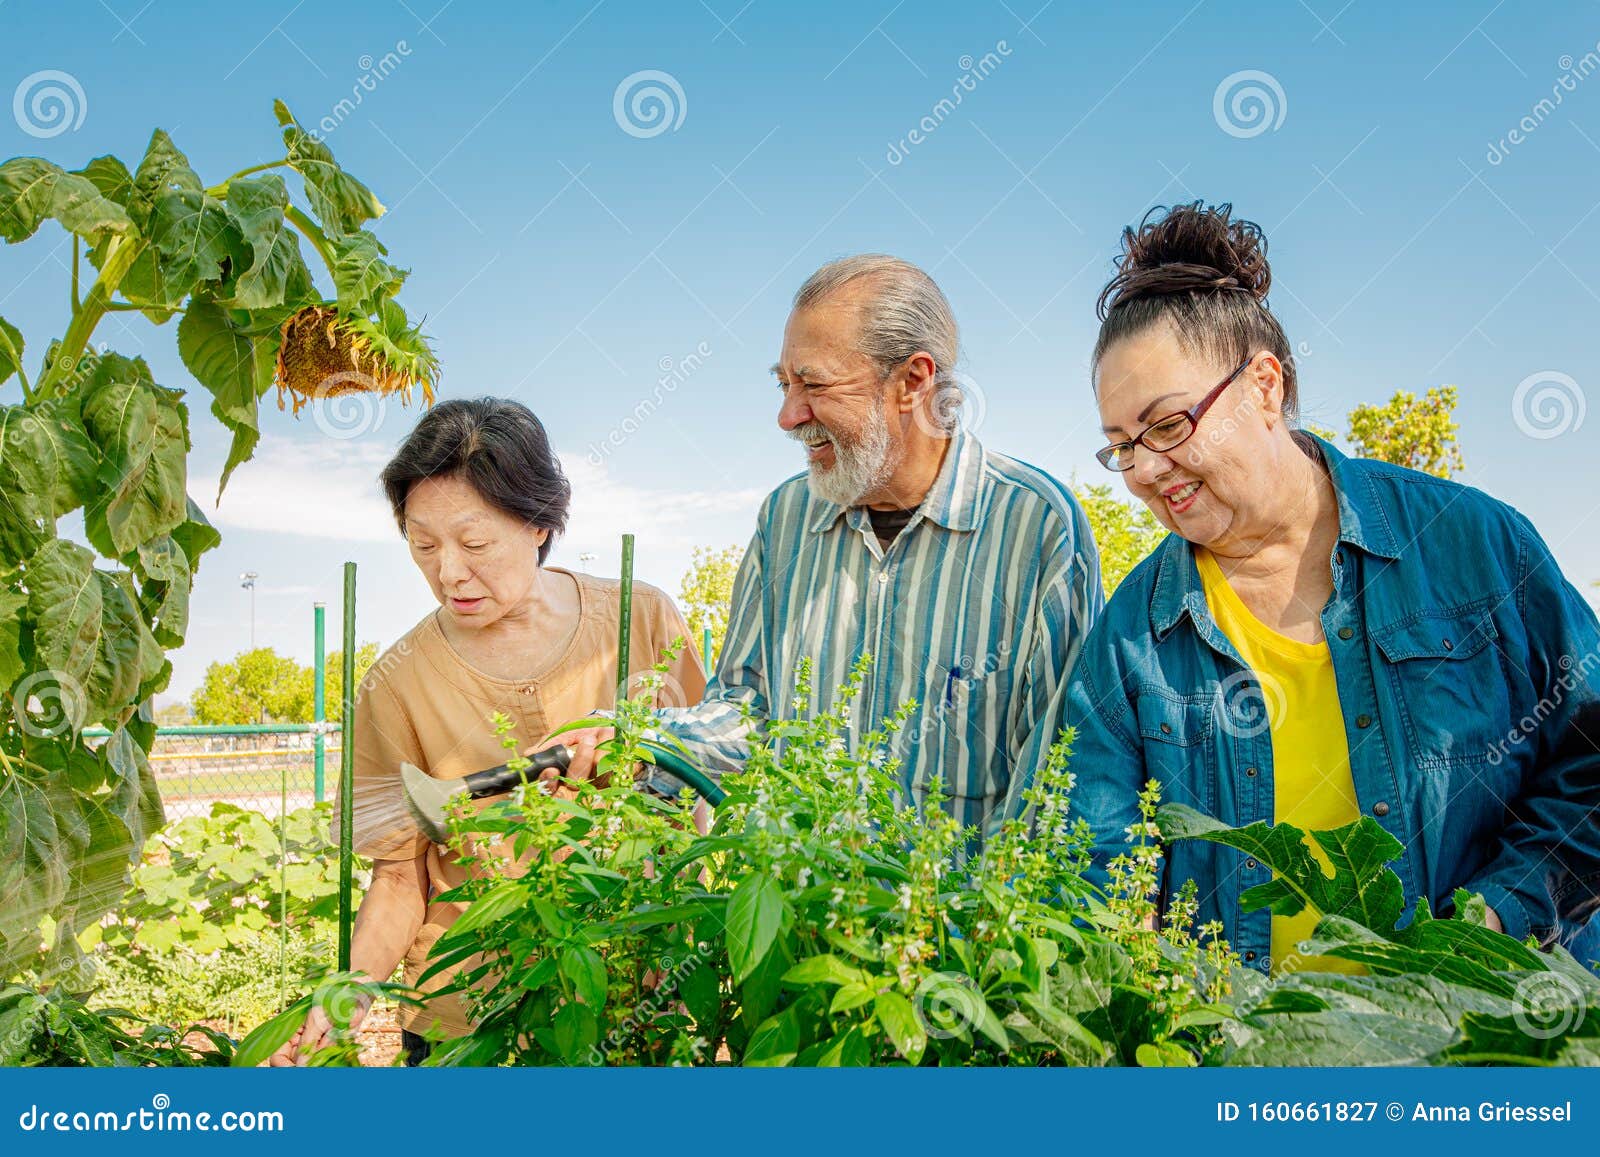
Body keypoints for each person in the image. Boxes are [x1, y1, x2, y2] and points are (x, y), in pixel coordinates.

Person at [1062, 201, 1600, 975]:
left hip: (1475, 1032)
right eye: (1121, 446)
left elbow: (1589, 768)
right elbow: (1092, 858)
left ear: (1264, 386)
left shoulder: (1475, 544)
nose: (1144, 470)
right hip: (1241, 1045)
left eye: (1168, 426)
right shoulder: (1131, 635)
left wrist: (1496, 917)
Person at [566, 255, 1103, 844]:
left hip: (952, 903)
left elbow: (1055, 772)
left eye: (814, 385)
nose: (787, 416)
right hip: (794, 896)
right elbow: (747, 709)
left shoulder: (1036, 526)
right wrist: (639, 744)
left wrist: (975, 902)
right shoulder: (784, 519)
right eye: (784, 385)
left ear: (913, 381)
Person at [269, 398, 705, 1065]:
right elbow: (397, 879)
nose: (448, 572)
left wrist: (647, 771)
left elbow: (705, 785)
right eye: (423, 545)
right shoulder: (396, 683)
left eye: (474, 544)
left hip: (630, 995)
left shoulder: (641, 619)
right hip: (468, 1023)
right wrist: (342, 1000)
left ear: (539, 522)